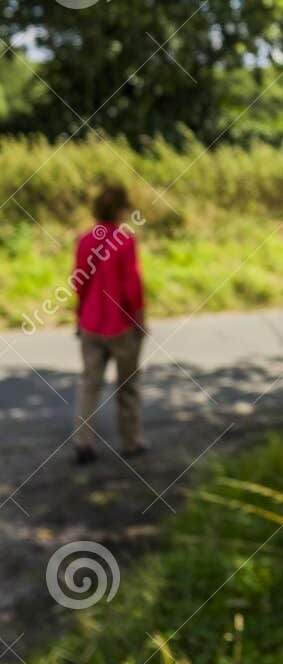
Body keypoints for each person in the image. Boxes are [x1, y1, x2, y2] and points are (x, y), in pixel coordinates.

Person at [72, 183, 147, 465]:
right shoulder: (125, 241)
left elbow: (79, 282)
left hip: (91, 322)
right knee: (127, 386)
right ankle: (130, 441)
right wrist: (140, 320)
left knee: (89, 384)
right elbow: (132, 286)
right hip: (122, 325)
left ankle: (83, 442)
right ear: (119, 209)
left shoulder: (85, 240)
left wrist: (79, 317)